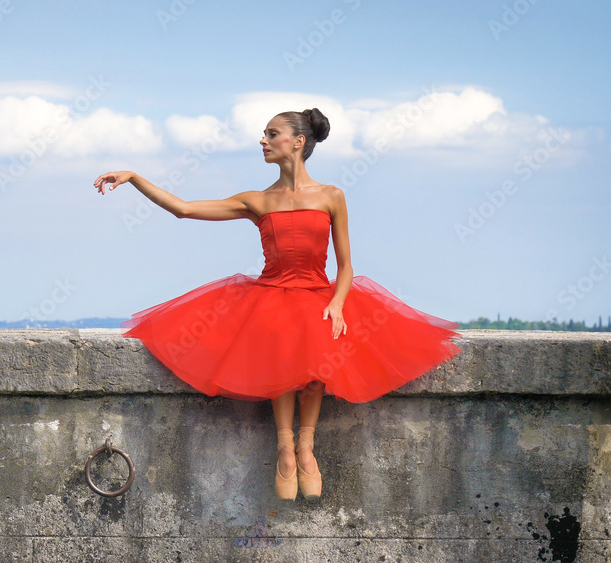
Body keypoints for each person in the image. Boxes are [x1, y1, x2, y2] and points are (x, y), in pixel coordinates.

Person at [93, 108, 463, 502]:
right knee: (280, 342)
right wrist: (133, 178)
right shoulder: (257, 200)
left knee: (319, 342)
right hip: (271, 295)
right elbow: (183, 209)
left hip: (320, 294)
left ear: (298, 142)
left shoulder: (331, 196)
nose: (263, 141)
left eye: (272, 133)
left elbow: (346, 264)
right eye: (264, 134)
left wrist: (338, 304)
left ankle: (306, 446)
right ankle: (285, 449)